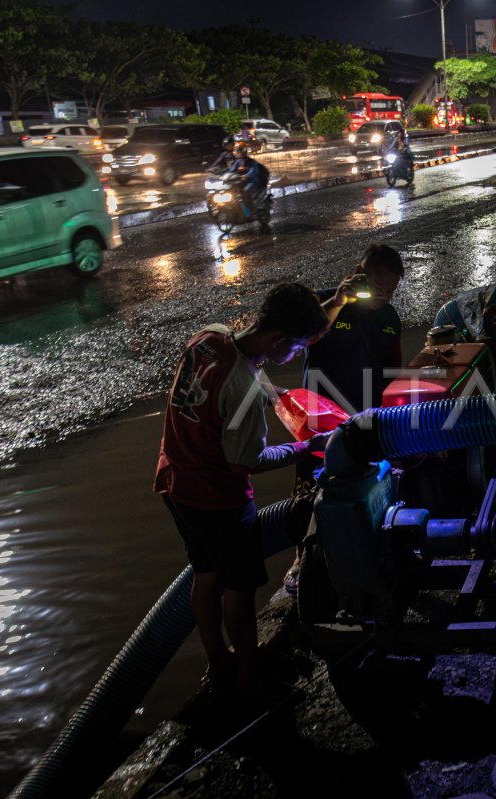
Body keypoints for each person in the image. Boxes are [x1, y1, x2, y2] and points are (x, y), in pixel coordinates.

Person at [154, 282, 331, 702]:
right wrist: (304, 447)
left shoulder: (209, 337)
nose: (297, 356)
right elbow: (246, 461)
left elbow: (231, 380)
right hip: (218, 498)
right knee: (239, 585)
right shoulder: (244, 389)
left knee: (206, 574)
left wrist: (275, 393)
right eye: (296, 348)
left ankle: (220, 662)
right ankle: (250, 674)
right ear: (277, 340)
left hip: (174, 480)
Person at [281, 244, 405, 593]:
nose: (382, 294)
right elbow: (300, 339)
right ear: (358, 272)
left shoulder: (389, 319)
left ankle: (363, 560)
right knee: (309, 495)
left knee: (369, 488)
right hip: (318, 423)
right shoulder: (325, 305)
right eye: (377, 284)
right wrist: (339, 302)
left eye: (390, 289)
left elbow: (391, 372)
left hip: (364, 422)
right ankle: (301, 560)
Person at [232, 141, 271, 231]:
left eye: (239, 151)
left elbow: (253, 172)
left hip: (253, 182)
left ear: (244, 151)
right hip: (241, 183)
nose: (238, 153)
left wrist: (246, 176)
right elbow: (231, 171)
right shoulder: (237, 162)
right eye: (237, 151)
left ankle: (251, 211)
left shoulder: (251, 162)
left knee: (245, 192)